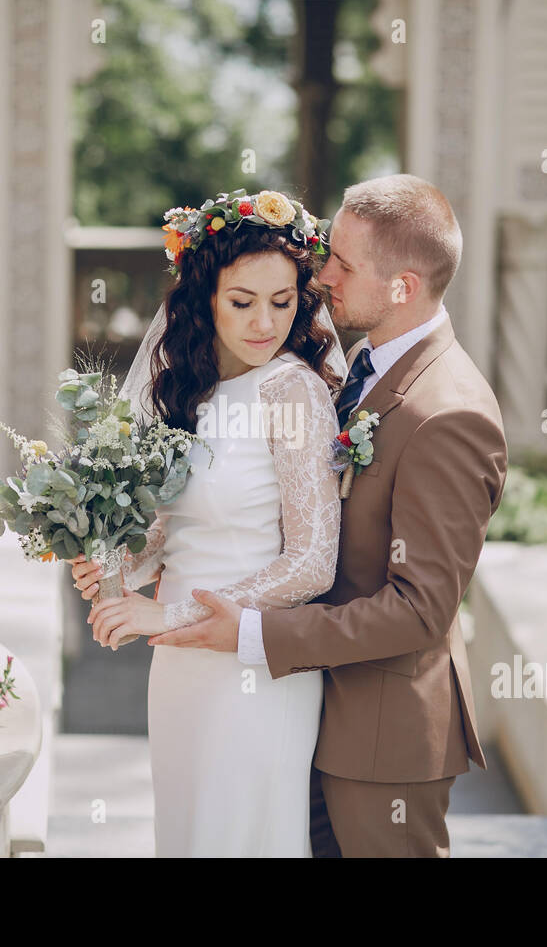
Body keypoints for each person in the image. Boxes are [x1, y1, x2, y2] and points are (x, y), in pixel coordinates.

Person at [141, 174, 508, 857]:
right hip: (310, 702)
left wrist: (256, 636)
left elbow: (420, 610)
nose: (322, 273)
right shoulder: (361, 372)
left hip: (382, 734)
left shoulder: (449, 413)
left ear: (401, 286)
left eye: (342, 262)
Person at [72, 189, 347, 856]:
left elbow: (313, 562)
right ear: (205, 300)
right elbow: (180, 527)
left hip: (248, 663)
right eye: (241, 302)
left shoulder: (293, 391)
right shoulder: (192, 392)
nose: (264, 323)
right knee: (188, 835)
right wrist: (121, 566)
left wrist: (168, 618)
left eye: (282, 302)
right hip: (180, 671)